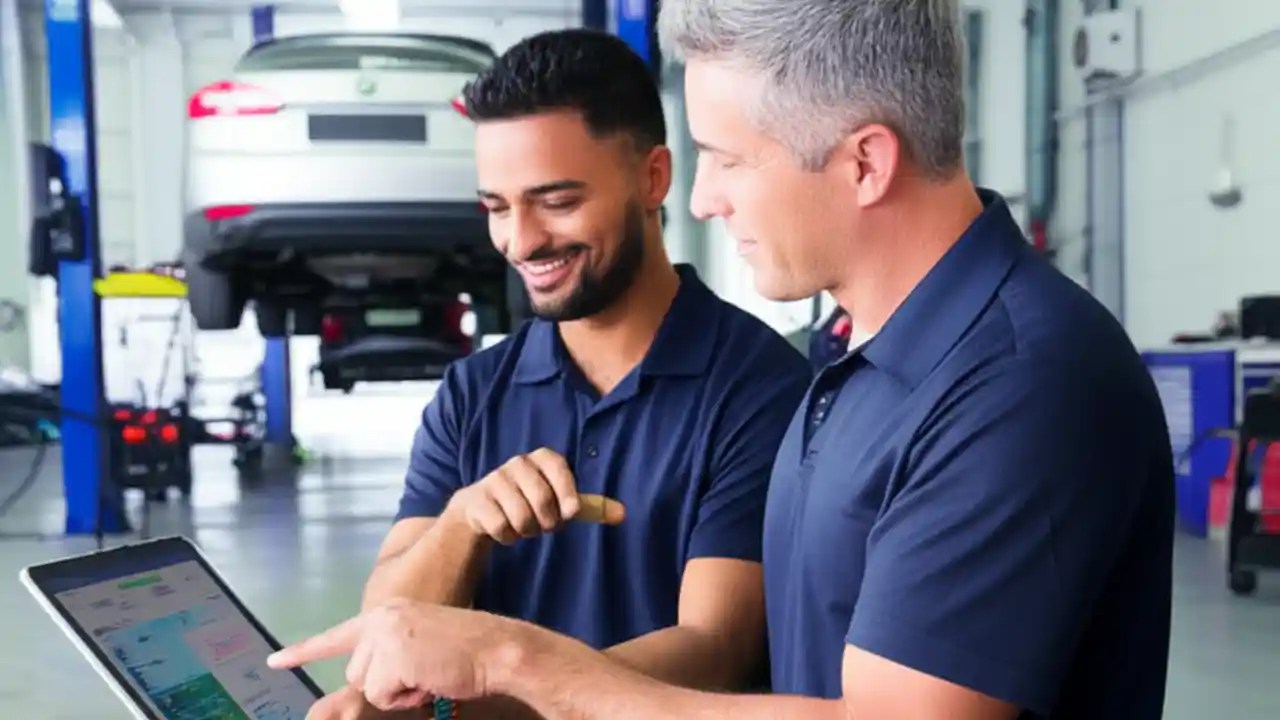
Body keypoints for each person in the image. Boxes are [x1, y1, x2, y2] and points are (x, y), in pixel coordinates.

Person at [273, 2, 1176, 718]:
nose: (704, 200)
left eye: (728, 159)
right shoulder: (852, 362)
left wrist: (509, 665)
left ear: (865, 163)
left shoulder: (1019, 383)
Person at [305, 27, 813, 720]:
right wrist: (462, 523)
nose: (521, 240)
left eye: (557, 202)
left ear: (653, 178)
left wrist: (468, 706)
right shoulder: (472, 395)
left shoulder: (762, 389)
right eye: (497, 207)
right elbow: (387, 630)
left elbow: (714, 649)